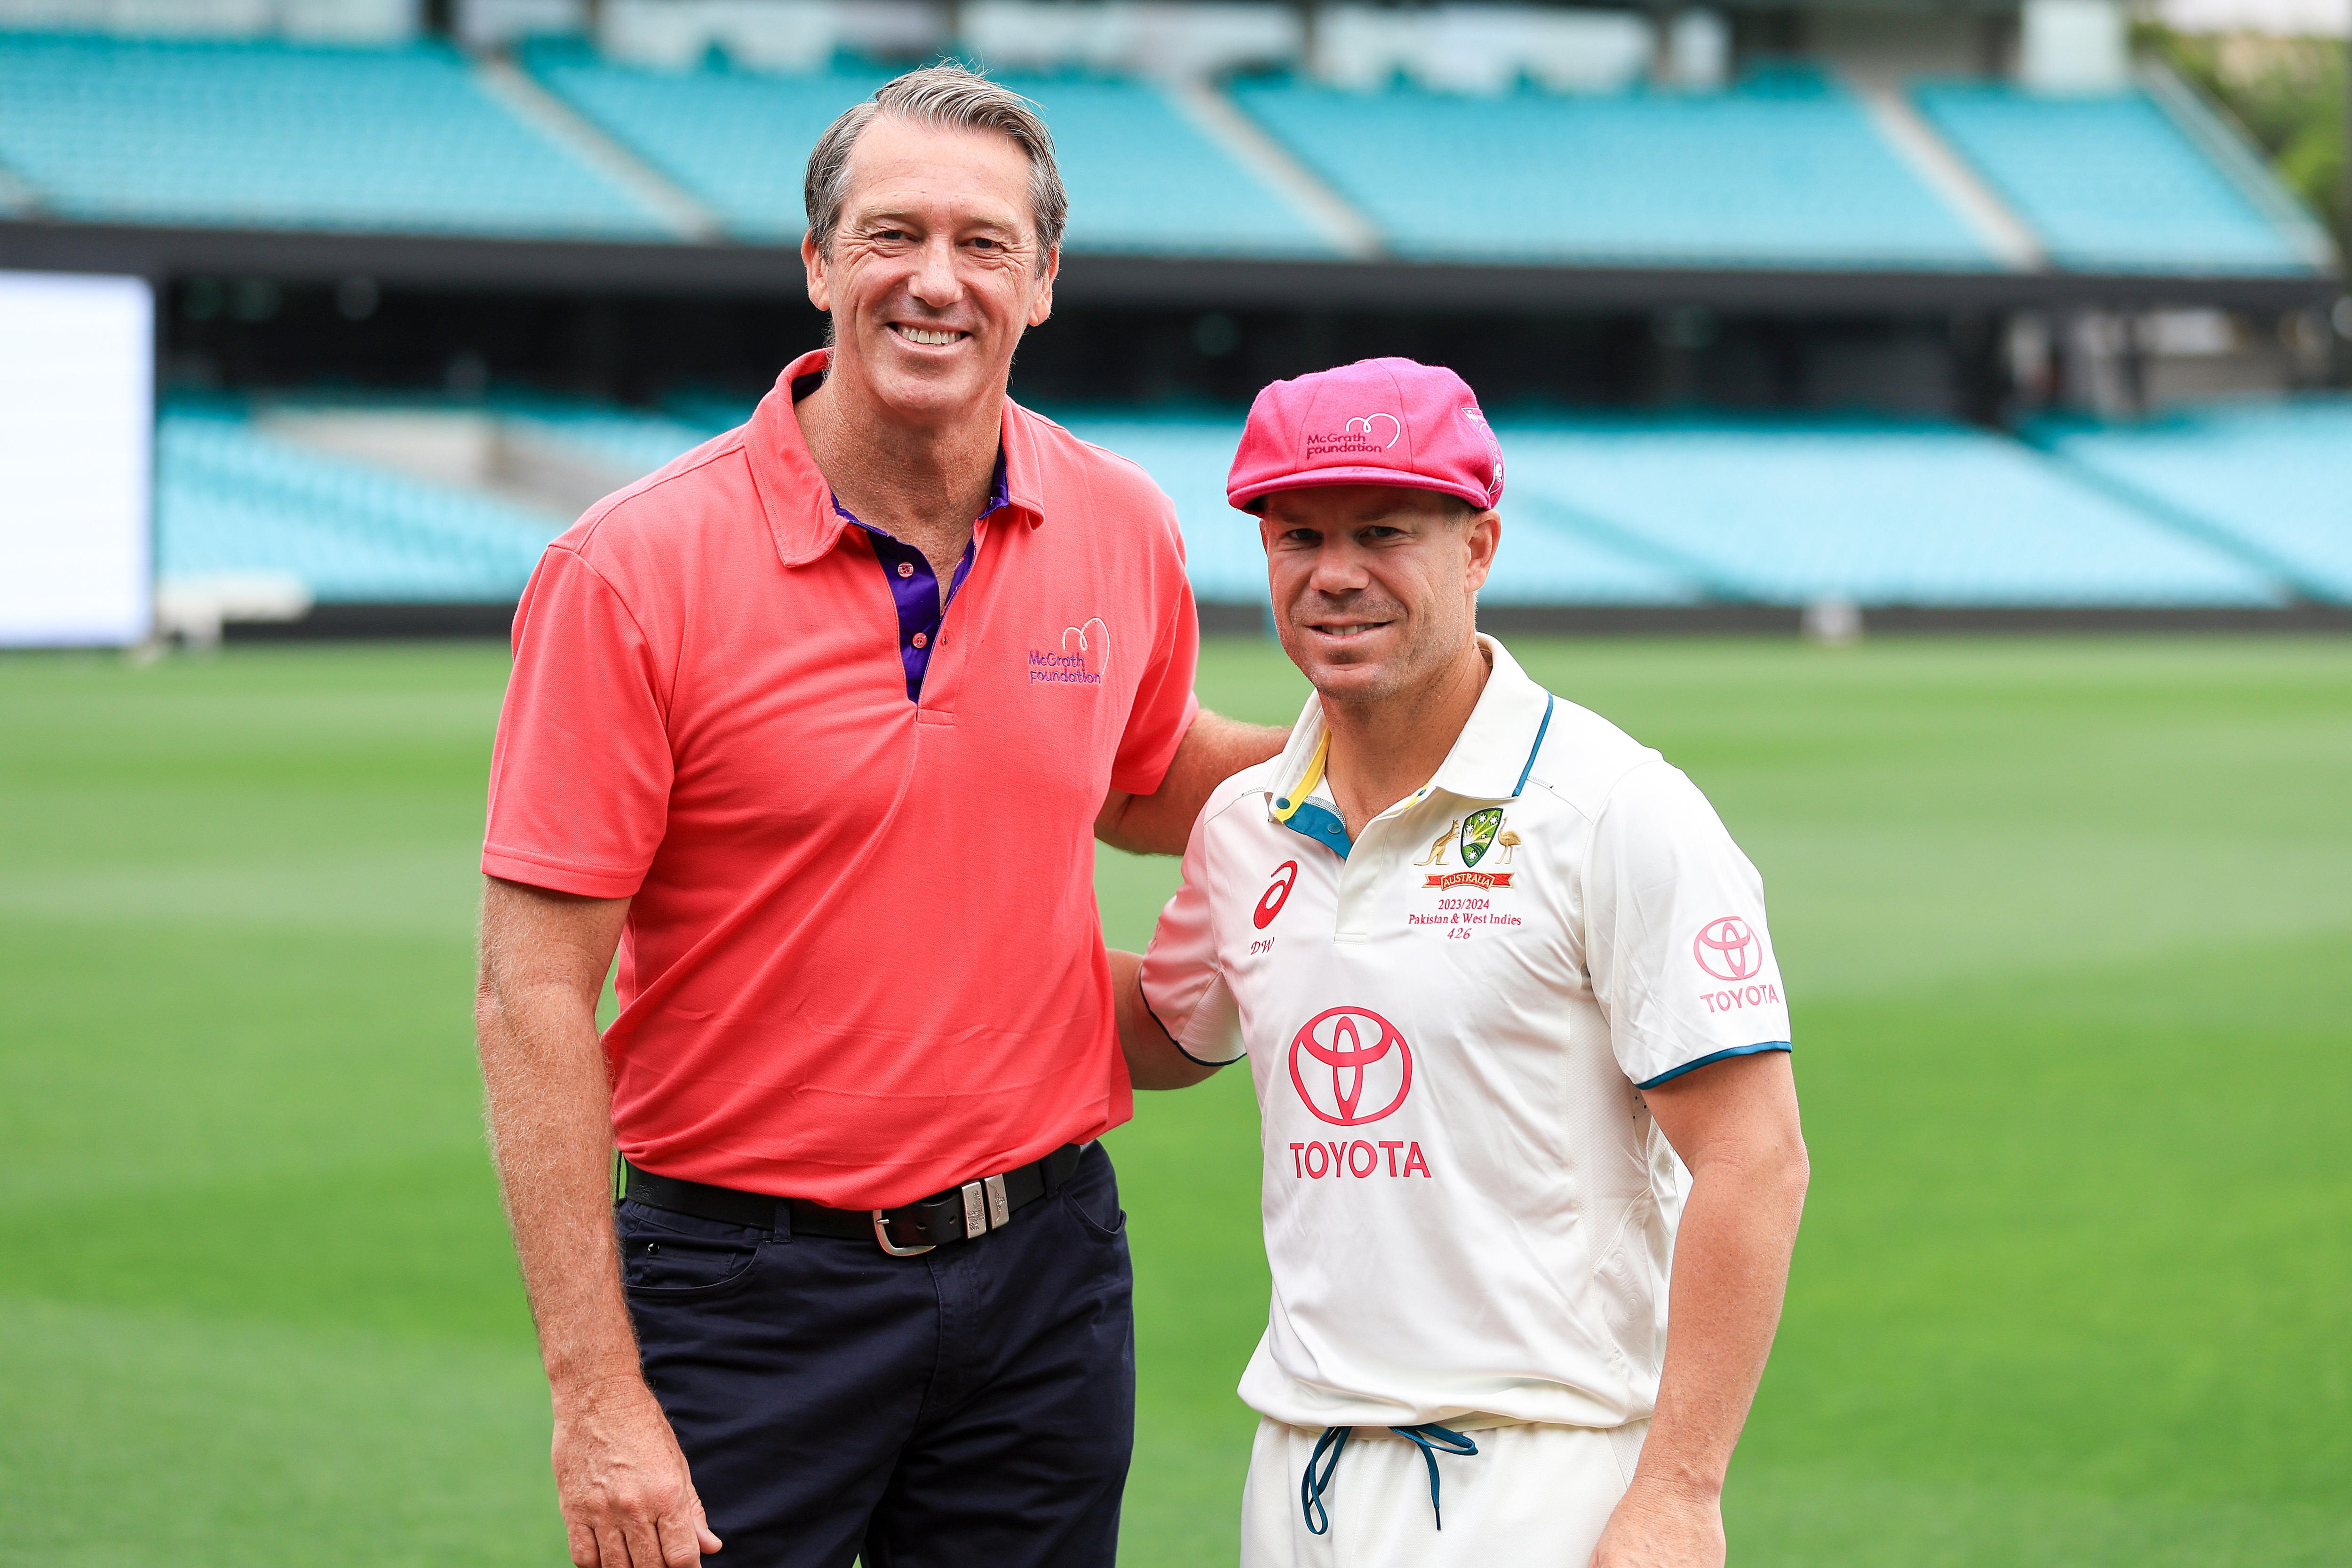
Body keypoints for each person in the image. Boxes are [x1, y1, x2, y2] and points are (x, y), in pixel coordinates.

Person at [474, 66, 1281, 1568]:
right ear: (817, 262)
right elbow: (531, 995)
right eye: (891, 234)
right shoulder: (629, 569)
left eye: (984, 243)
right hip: (740, 1286)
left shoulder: (1119, 521)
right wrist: (597, 1397)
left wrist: (1379, 756)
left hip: (1047, 1270)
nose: (935, 280)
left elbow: (1143, 772)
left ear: (1044, 281)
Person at [1117, 358, 1810, 1568]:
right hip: (1297, 1472)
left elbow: (1754, 1155)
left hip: (1538, 1476)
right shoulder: (1243, 822)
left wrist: (1679, 1491)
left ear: (1478, 546)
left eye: (1382, 532)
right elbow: (1162, 1033)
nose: (1336, 573)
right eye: (1299, 536)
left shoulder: (1612, 809)